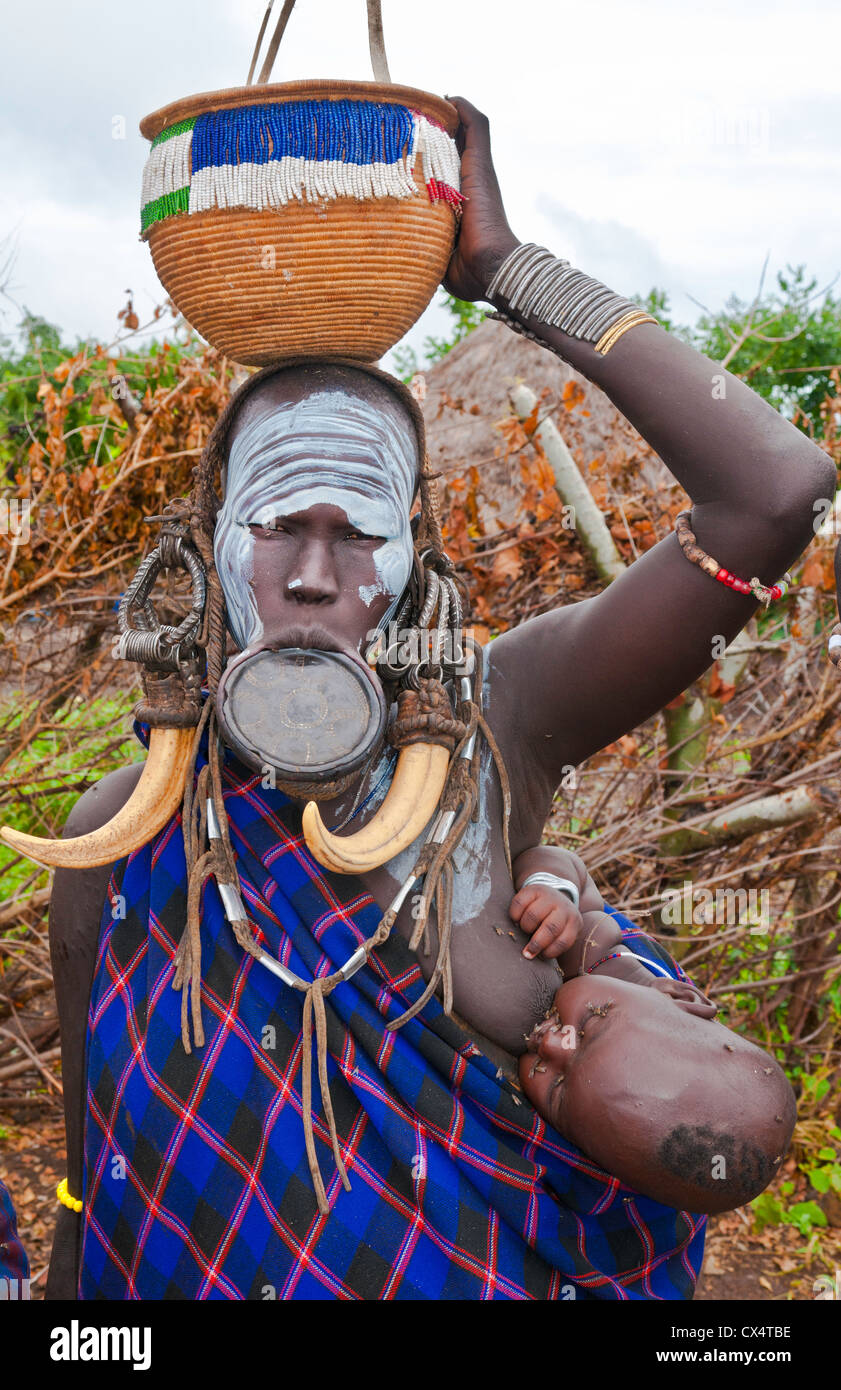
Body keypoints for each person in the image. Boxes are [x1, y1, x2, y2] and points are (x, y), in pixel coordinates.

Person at [41, 97, 833, 1300]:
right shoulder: (121, 835)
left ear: (418, 561)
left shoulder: (497, 733)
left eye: (359, 532)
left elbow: (772, 498)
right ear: (200, 549)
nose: (315, 575)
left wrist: (508, 271)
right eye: (277, 526)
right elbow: (94, 1180)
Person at [508, 844, 796, 1214]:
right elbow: (561, 861)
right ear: (677, 995)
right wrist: (552, 889)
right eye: (591, 1024)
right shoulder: (594, 948)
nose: (551, 1044)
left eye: (559, 1091)